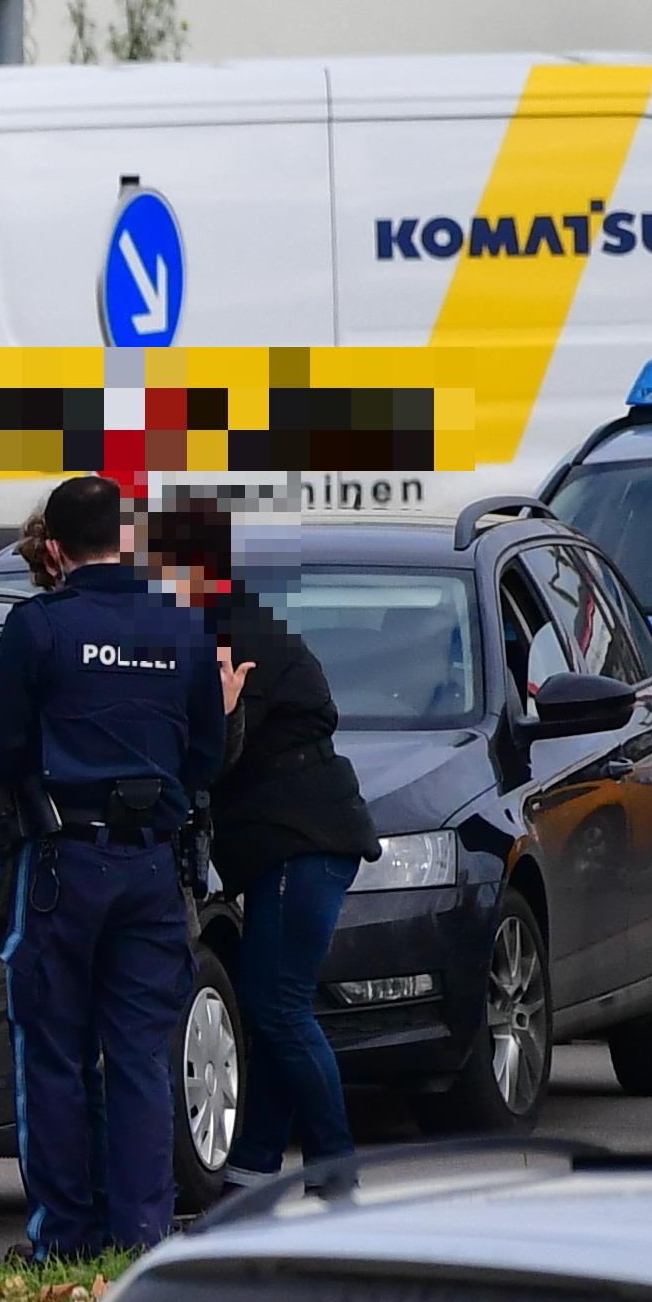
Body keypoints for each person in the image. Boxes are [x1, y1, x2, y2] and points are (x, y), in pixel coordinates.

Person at [0, 474, 229, 1260]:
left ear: (51, 547)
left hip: (61, 868)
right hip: (151, 868)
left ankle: (65, 1237)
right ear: (127, 539)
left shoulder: (38, 627)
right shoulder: (182, 628)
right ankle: (143, 1233)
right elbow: (206, 754)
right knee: (144, 1058)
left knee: (53, 1056)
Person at [160, 500, 368, 1183]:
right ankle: (252, 1169)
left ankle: (336, 1167)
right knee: (273, 1005)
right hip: (305, 837)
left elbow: (222, 747)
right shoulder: (236, 621)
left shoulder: (229, 632)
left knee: (278, 1008)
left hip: (296, 841)